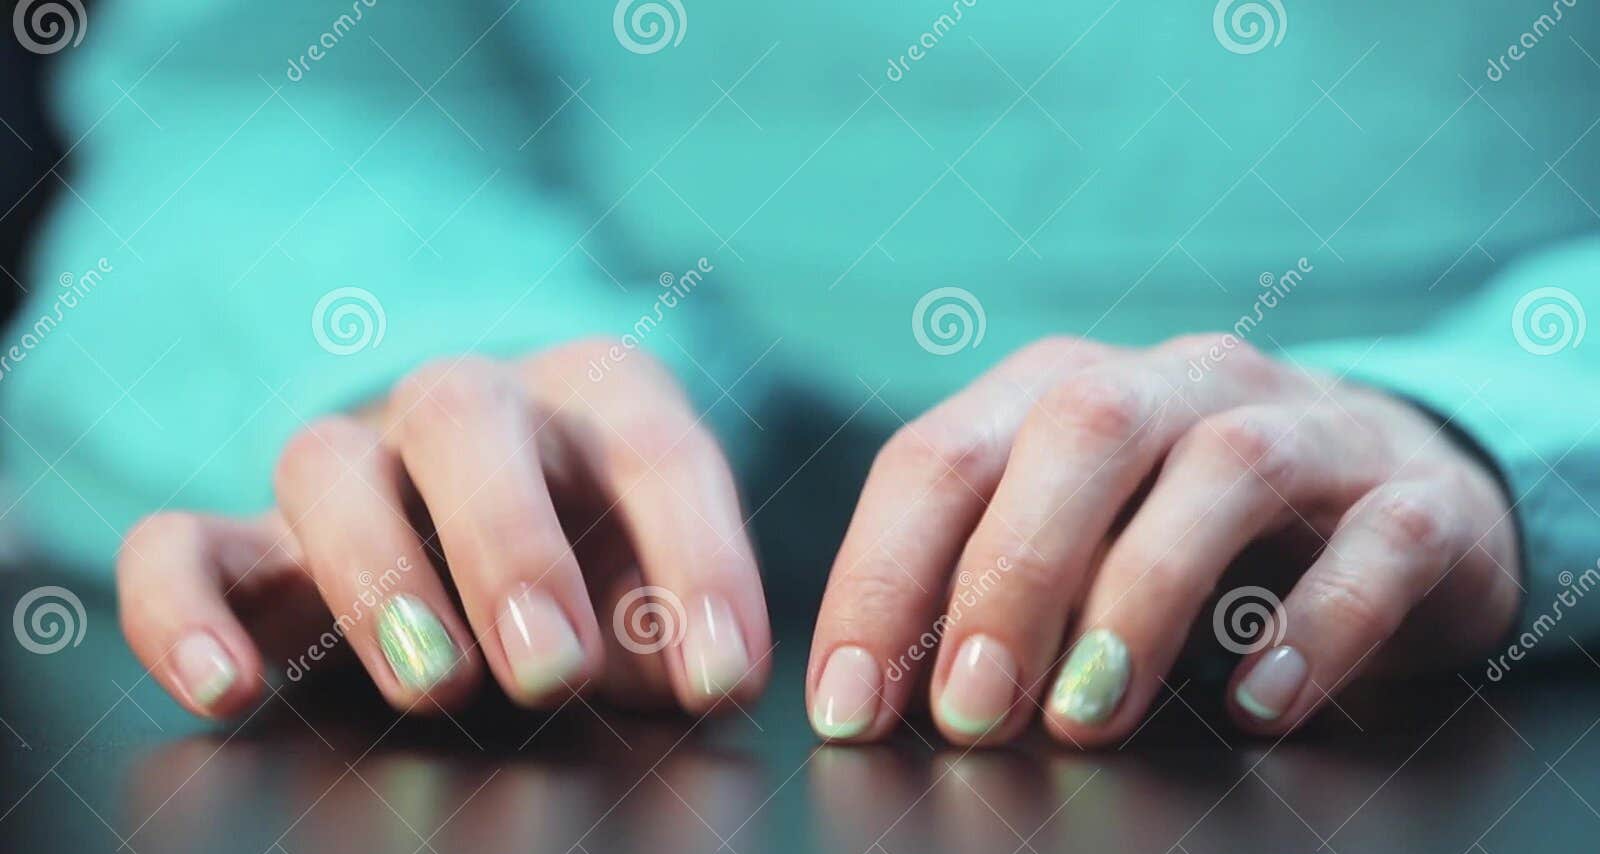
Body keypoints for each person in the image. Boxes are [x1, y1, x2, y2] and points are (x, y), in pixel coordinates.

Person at [4, 1, 1596, 749]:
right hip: (641, 628)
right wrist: (438, 381)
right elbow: (277, 81)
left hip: (1475, 643)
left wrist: (1496, 421)